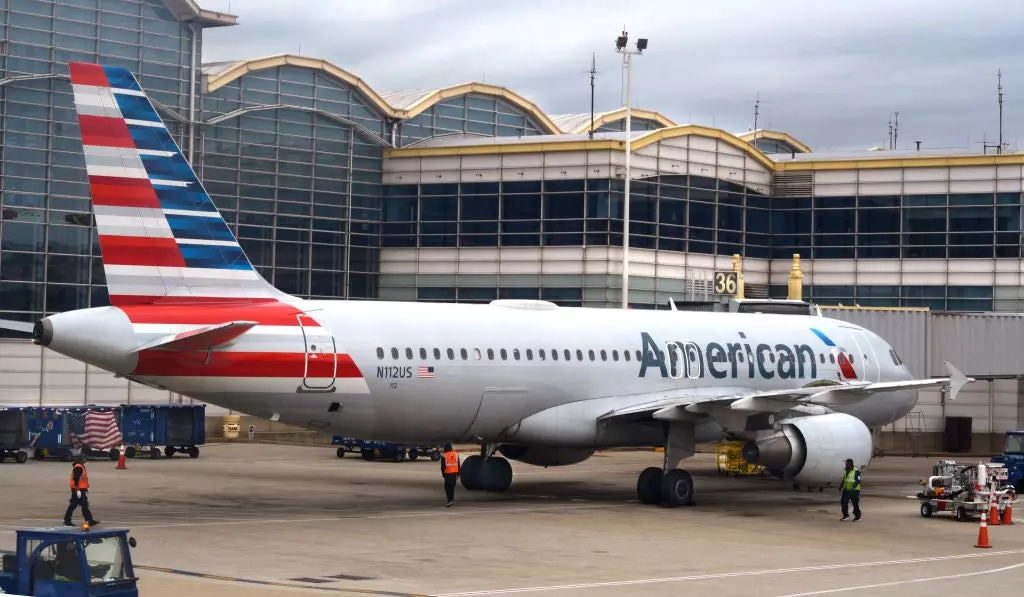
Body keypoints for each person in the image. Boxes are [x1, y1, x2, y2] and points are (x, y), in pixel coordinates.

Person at [64, 452, 99, 527]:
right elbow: (76, 479)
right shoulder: (78, 467)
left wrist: (87, 487)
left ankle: (89, 520)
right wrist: (78, 490)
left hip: (81, 489)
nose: (86, 460)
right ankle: (68, 520)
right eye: (84, 459)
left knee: (81, 505)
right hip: (78, 489)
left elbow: (83, 479)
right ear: (81, 460)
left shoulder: (80, 466)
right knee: (77, 505)